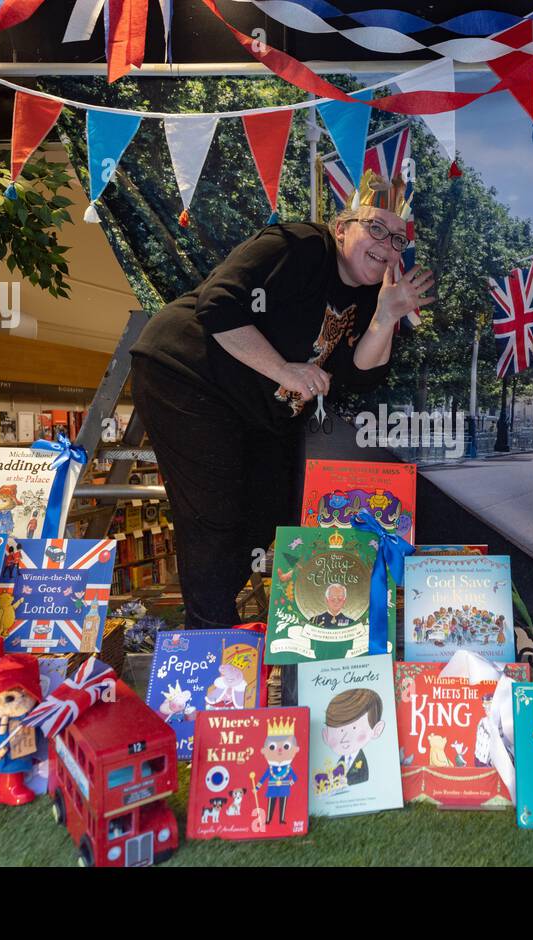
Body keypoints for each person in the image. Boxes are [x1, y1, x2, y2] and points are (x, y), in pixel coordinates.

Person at [130, 172, 435, 629]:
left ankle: (217, 616)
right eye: (375, 228)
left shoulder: (375, 295)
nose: (387, 245)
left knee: (278, 500)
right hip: (187, 375)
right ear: (340, 228)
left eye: (396, 238)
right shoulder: (296, 246)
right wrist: (284, 370)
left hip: (259, 411)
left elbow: (360, 375)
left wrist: (387, 315)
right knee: (213, 513)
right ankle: (210, 643)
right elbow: (218, 304)